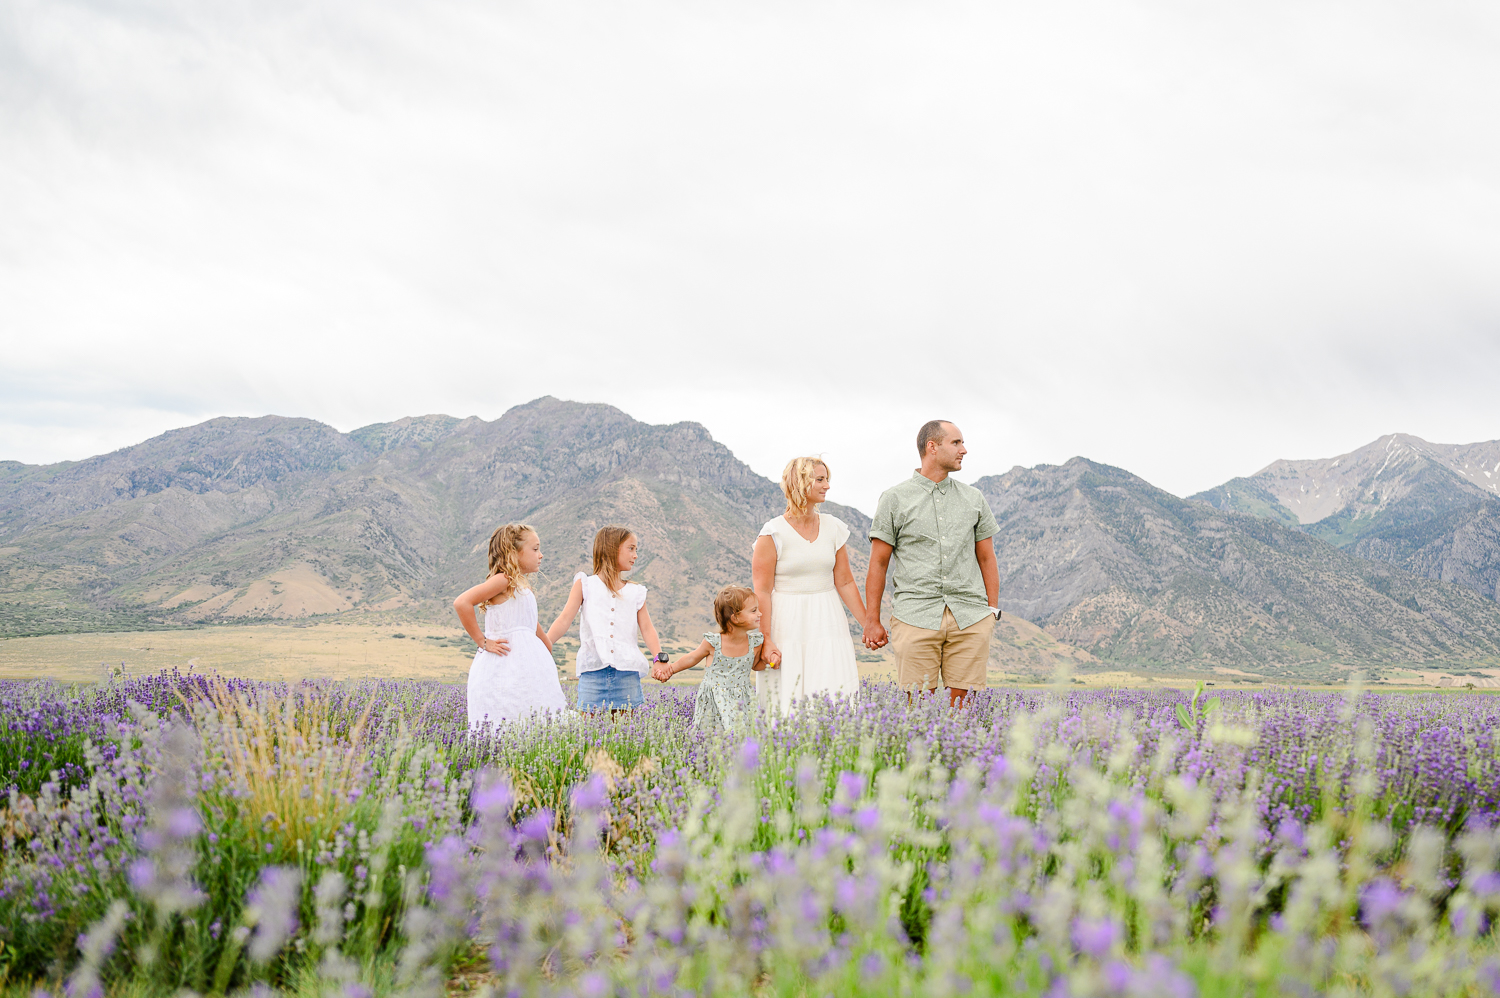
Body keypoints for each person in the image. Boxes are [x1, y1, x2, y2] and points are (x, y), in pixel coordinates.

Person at [863, 421, 1001, 708]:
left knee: (962, 715)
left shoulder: (974, 499)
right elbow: (878, 563)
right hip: (915, 615)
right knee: (916, 711)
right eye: (956, 443)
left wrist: (992, 612)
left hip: (971, 616)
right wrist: (872, 620)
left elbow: (987, 557)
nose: (964, 450)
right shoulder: (894, 499)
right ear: (932, 446)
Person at [751, 456, 864, 715]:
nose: (827, 486)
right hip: (785, 621)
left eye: (827, 479)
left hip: (828, 618)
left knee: (832, 684)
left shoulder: (834, 528)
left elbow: (845, 581)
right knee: (786, 695)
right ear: (801, 482)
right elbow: (763, 592)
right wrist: (766, 640)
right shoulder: (772, 533)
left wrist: (868, 623)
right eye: (820, 479)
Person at [453, 523, 567, 729]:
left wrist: (545, 646)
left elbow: (529, 622)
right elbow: (462, 603)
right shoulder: (503, 580)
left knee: (535, 719)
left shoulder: (520, 585)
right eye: (535, 549)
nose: (540, 555)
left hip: (528, 668)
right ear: (513, 553)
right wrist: (482, 641)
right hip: (505, 666)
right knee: (508, 717)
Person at [546, 525, 669, 712]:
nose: (635, 555)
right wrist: (545, 643)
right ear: (611, 548)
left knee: (626, 734)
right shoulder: (585, 584)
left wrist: (659, 658)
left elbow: (647, 628)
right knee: (589, 732)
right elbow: (564, 619)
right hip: (593, 670)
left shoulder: (635, 592)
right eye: (631, 548)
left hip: (627, 673)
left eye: (636, 550)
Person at [651, 585, 770, 731]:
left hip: (742, 699)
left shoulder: (755, 643)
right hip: (714, 699)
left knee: (741, 734)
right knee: (712, 736)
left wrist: (770, 661)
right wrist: (670, 670)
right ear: (736, 618)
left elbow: (756, 665)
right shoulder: (714, 642)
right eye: (754, 610)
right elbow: (692, 658)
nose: (760, 614)